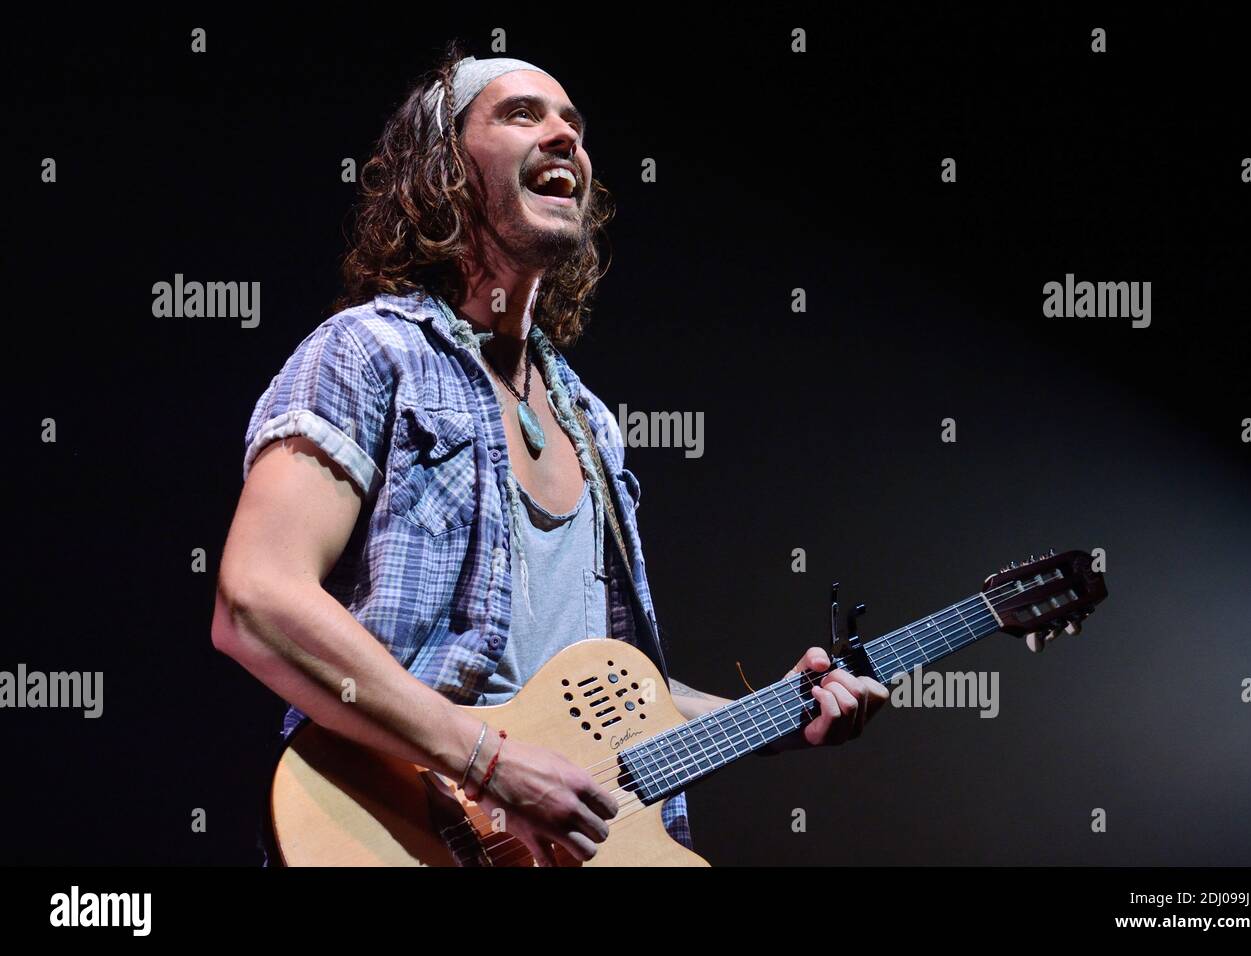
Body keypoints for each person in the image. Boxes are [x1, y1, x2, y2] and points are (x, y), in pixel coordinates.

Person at [210, 45, 890, 867]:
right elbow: (257, 598)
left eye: (575, 122)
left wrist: (785, 715)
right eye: (522, 113)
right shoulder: (370, 354)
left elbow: (614, 709)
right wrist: (487, 762)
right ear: (444, 167)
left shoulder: (593, 425)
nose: (565, 135)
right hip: (403, 831)